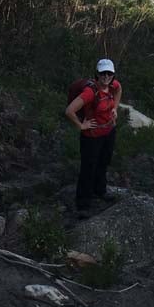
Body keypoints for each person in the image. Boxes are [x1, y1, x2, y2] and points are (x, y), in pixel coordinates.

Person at [66, 58, 122, 218]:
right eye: (103, 73)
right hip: (92, 137)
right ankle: (83, 204)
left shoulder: (113, 85)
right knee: (88, 168)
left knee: (103, 163)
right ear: (97, 74)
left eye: (109, 73)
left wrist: (115, 108)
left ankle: (100, 190)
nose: (106, 76)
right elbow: (69, 111)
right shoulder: (90, 92)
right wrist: (81, 125)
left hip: (108, 132)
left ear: (113, 74)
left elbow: (119, 89)